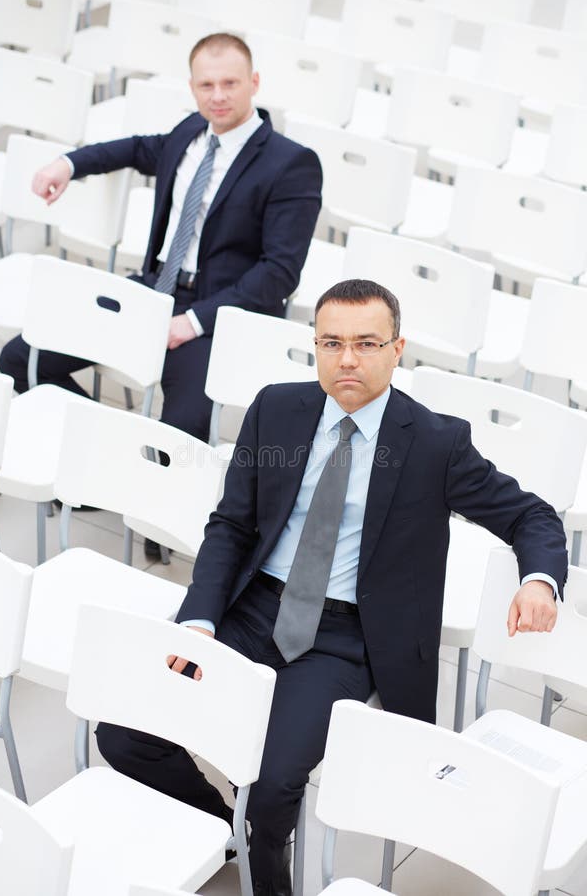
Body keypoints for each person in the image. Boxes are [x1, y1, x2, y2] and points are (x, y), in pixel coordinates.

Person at [95, 279, 567, 896]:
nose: (348, 359)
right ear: (315, 346)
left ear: (398, 350)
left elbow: (531, 515)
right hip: (251, 608)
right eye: (332, 343)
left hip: (344, 638)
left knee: (270, 790)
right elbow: (231, 526)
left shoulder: (433, 443)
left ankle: (268, 878)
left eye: (367, 343)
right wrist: (199, 621)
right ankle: (223, 826)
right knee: (124, 732)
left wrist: (538, 581)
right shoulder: (275, 408)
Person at [0, 32, 322, 444]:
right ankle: (98, 451)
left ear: (254, 83)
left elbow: (280, 273)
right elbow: (136, 149)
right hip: (155, 292)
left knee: (181, 433)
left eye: (230, 83)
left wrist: (191, 322)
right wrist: (67, 163)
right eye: (206, 85)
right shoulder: (192, 132)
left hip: (219, 316)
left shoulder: (292, 163)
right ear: (192, 88)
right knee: (21, 359)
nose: (217, 96)